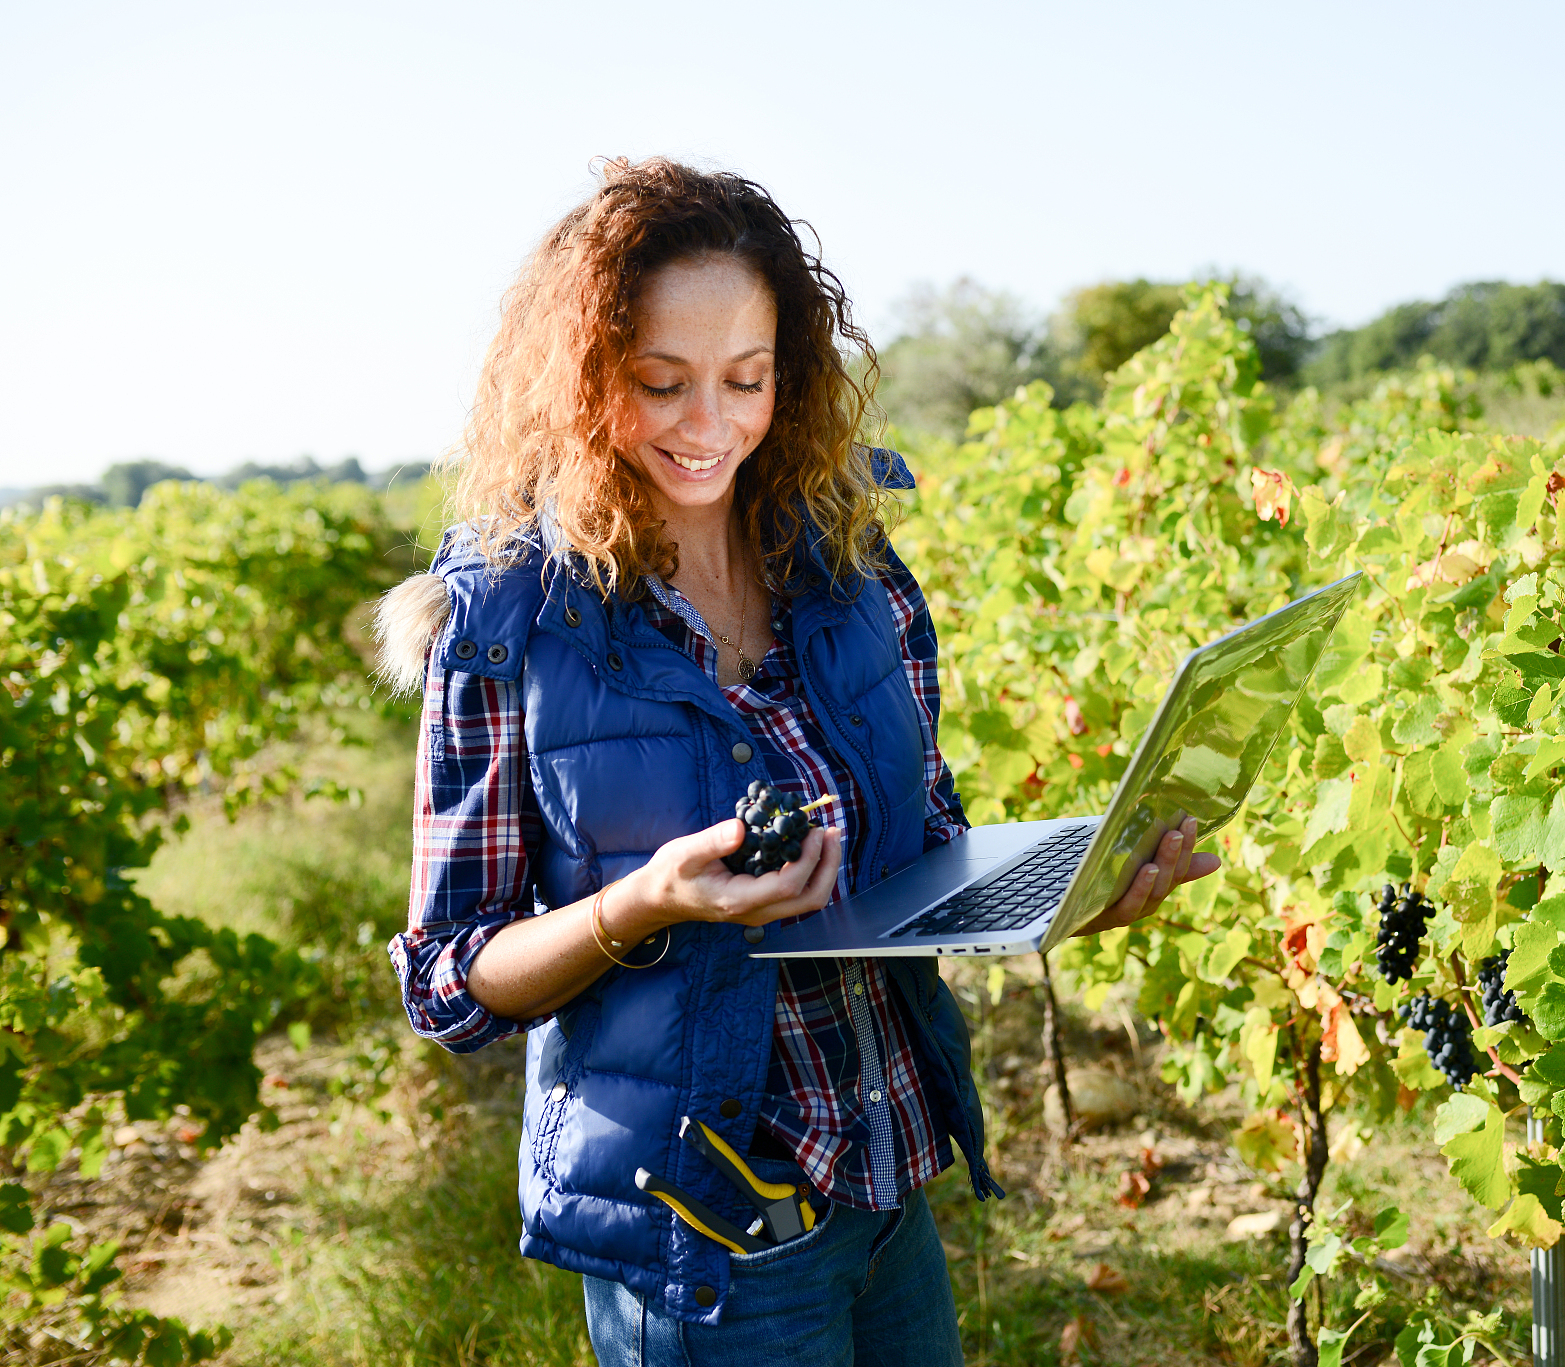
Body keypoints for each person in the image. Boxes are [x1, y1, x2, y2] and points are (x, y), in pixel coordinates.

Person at [377, 158, 1219, 1367]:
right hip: (710, 1232)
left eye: (746, 378)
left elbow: (917, 850)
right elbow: (448, 978)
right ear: (579, 384)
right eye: (659, 384)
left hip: (884, 1174)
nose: (709, 424)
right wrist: (639, 903)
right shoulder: (505, 625)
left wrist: (1062, 896)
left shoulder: (845, 568)